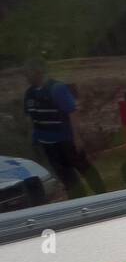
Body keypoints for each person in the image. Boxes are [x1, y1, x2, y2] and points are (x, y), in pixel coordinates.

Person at [22, 59, 106, 199]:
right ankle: (79, 200)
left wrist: (76, 138)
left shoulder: (56, 88)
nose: (26, 76)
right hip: (48, 145)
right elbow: (31, 118)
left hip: (66, 141)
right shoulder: (29, 94)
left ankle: (102, 195)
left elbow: (72, 112)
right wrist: (34, 139)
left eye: (28, 72)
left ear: (38, 72)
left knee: (85, 168)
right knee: (66, 176)